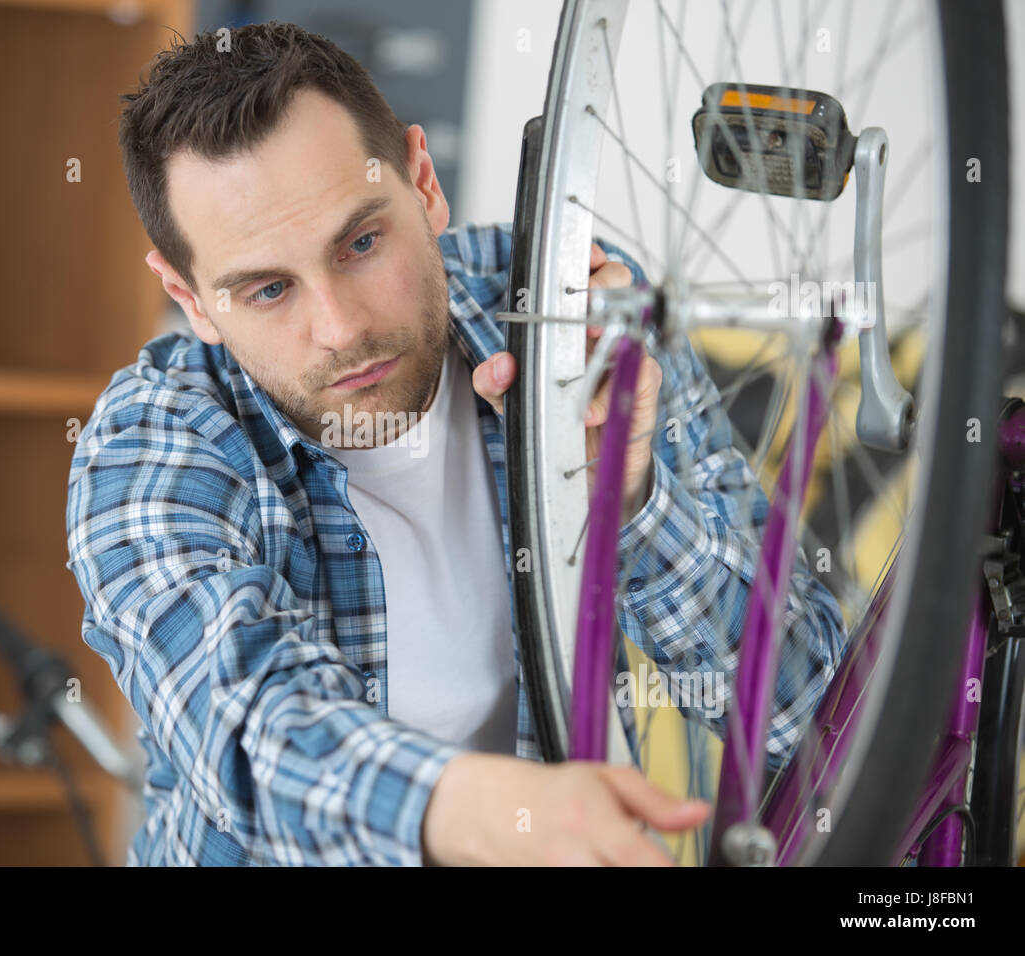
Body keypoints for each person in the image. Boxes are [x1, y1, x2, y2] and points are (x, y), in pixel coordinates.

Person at [65, 21, 848, 866]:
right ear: (191, 299)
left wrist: (635, 499)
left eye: (362, 243)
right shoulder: (151, 440)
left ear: (424, 183)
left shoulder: (569, 308)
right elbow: (244, 727)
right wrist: (489, 812)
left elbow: (811, 718)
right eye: (266, 290)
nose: (340, 329)